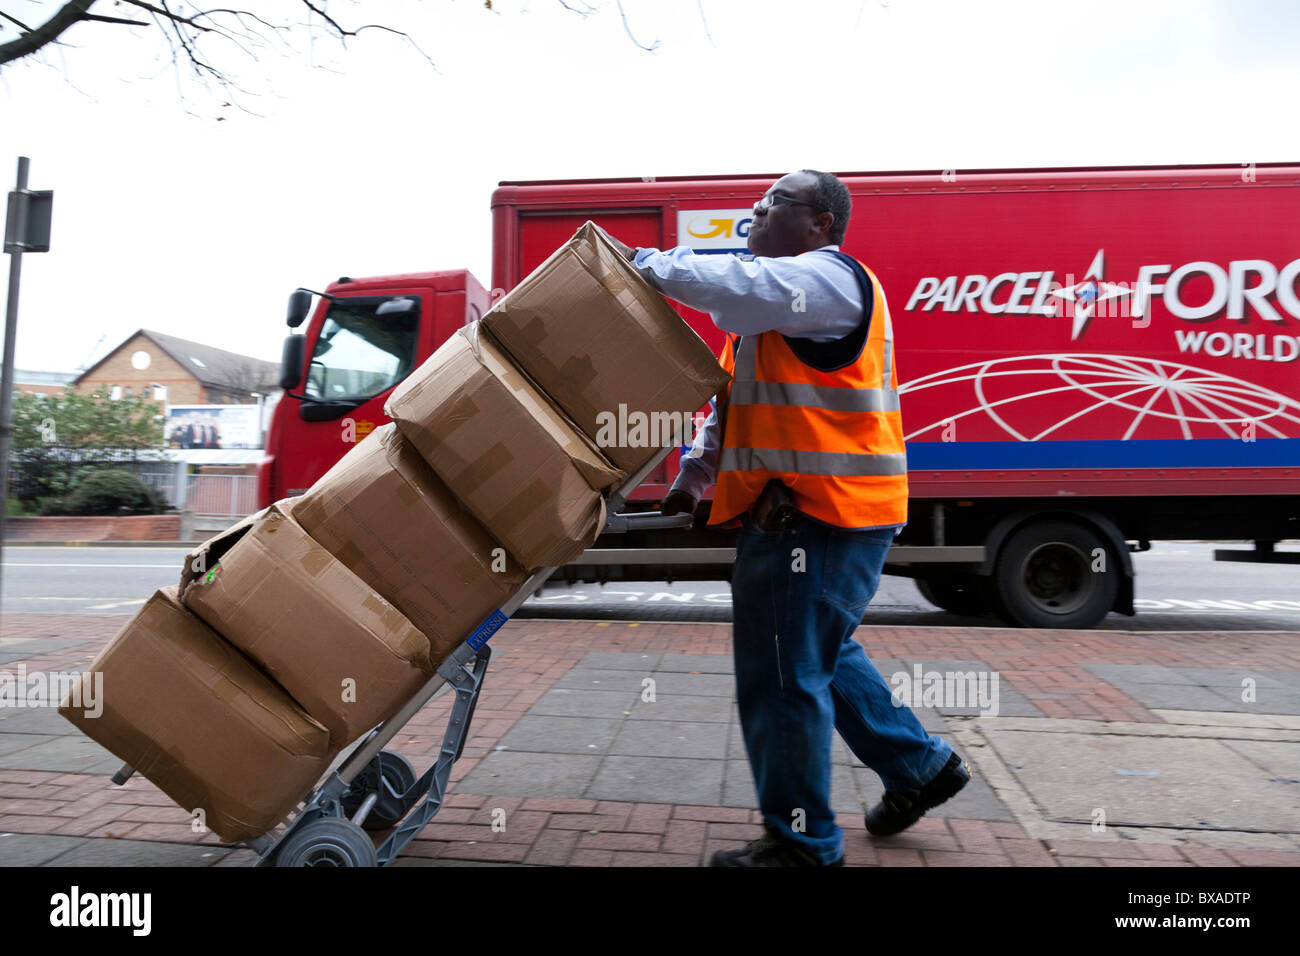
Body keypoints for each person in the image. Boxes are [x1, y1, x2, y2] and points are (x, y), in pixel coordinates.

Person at [607, 170, 970, 867]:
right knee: (815, 653)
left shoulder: (827, 281)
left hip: (821, 514)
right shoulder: (775, 313)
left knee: (782, 673)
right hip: (821, 515)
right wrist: (694, 473)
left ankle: (803, 844)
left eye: (773, 203)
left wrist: (639, 263)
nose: (755, 212)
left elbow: (735, 290)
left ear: (820, 224)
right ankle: (920, 767)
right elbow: (732, 401)